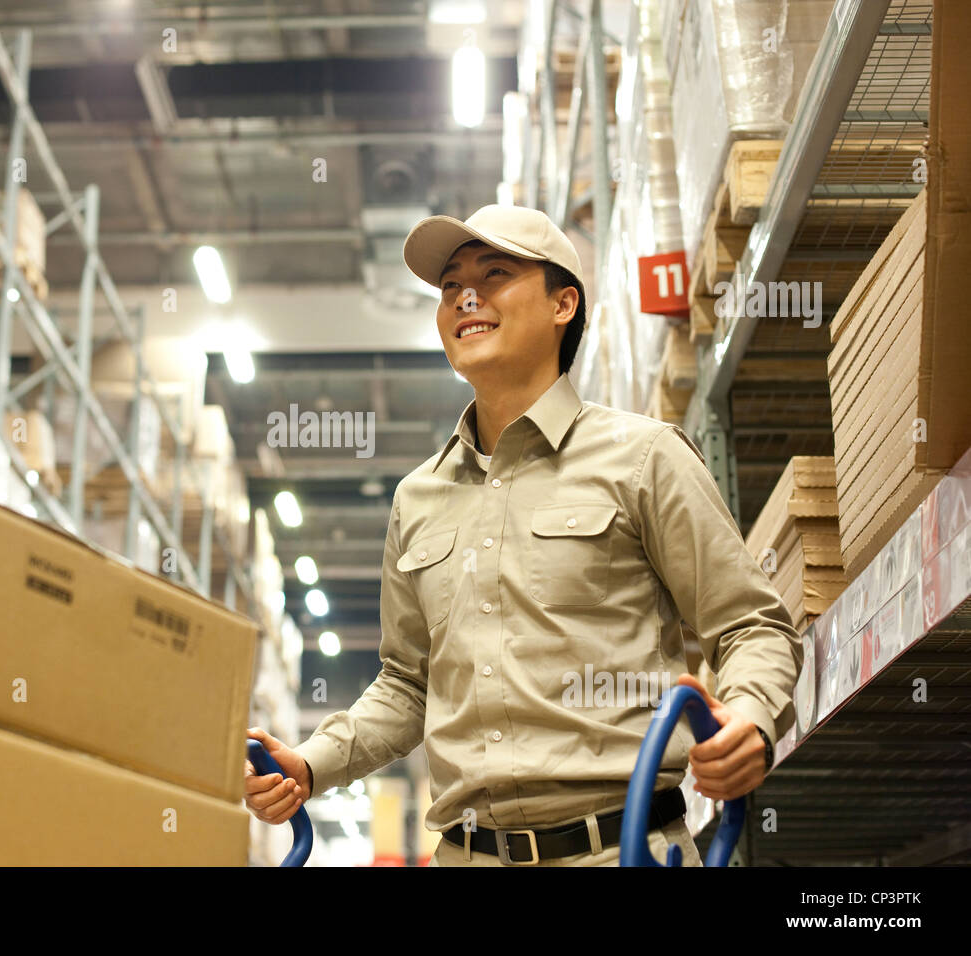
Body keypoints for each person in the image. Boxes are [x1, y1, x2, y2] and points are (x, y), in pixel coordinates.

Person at [244, 204, 802, 866]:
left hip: (619, 849)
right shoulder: (418, 499)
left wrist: (748, 718)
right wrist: (311, 764)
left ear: (564, 303)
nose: (465, 297)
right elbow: (407, 684)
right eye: (450, 286)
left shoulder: (644, 458)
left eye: (495, 273)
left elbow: (751, 624)